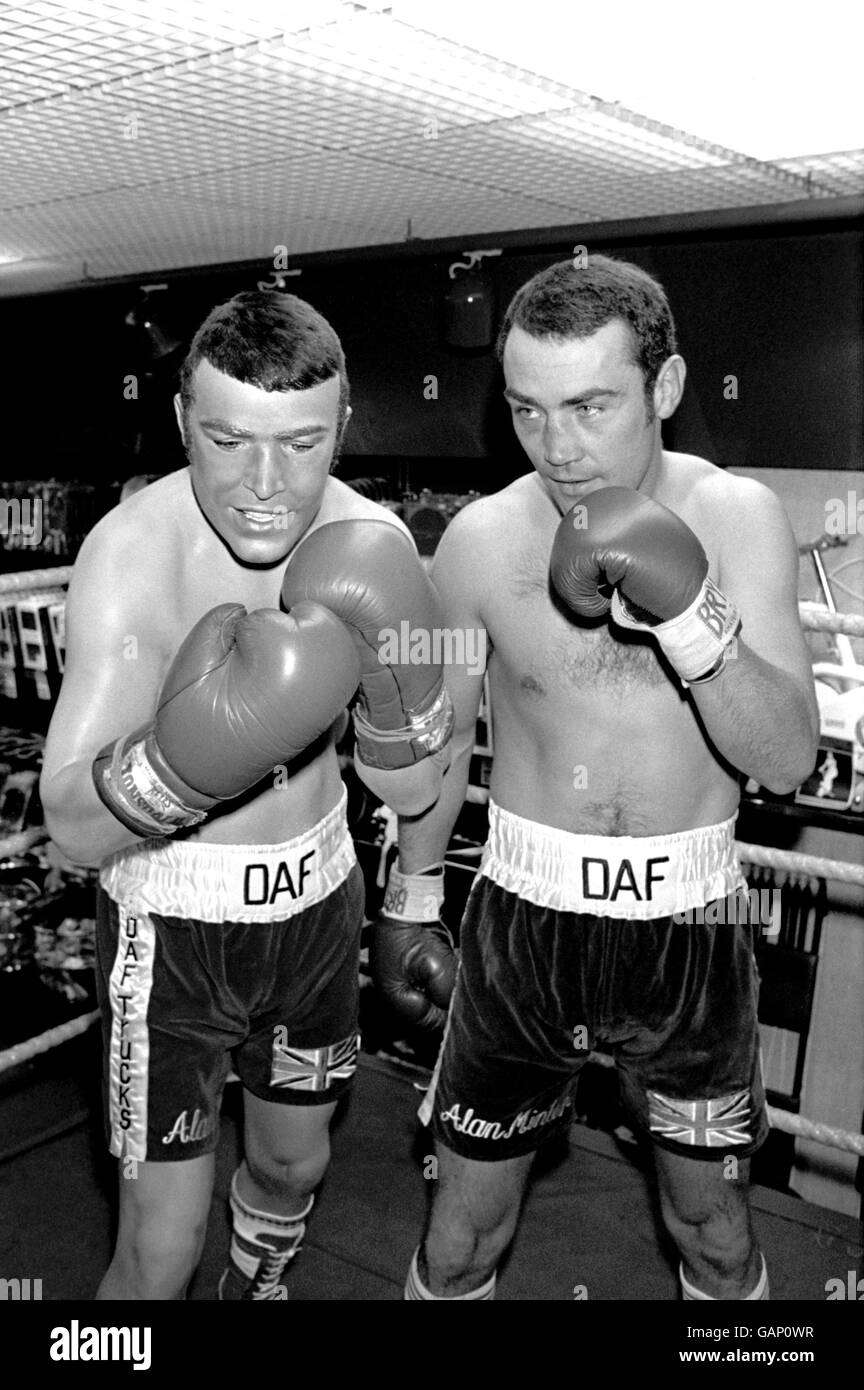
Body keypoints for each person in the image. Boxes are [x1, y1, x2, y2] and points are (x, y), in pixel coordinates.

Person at [371, 255, 820, 1302]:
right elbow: (444, 746)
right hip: (527, 922)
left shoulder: (740, 516)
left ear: (663, 388)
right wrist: (410, 899)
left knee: (712, 1228)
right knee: (460, 1237)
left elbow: (787, 759)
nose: (557, 447)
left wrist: (691, 624)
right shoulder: (481, 541)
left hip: (692, 929)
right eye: (528, 410)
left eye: (590, 405)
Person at [39, 290, 453, 1301]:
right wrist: (187, 762)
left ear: (343, 426)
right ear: (184, 421)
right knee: (161, 1249)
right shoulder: (132, 552)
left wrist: (417, 893)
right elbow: (68, 825)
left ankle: (257, 1287)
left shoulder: (376, 544)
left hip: (316, 910)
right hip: (171, 926)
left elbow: (436, 753)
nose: (265, 484)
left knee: (294, 1167)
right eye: (228, 440)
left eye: (302, 443)